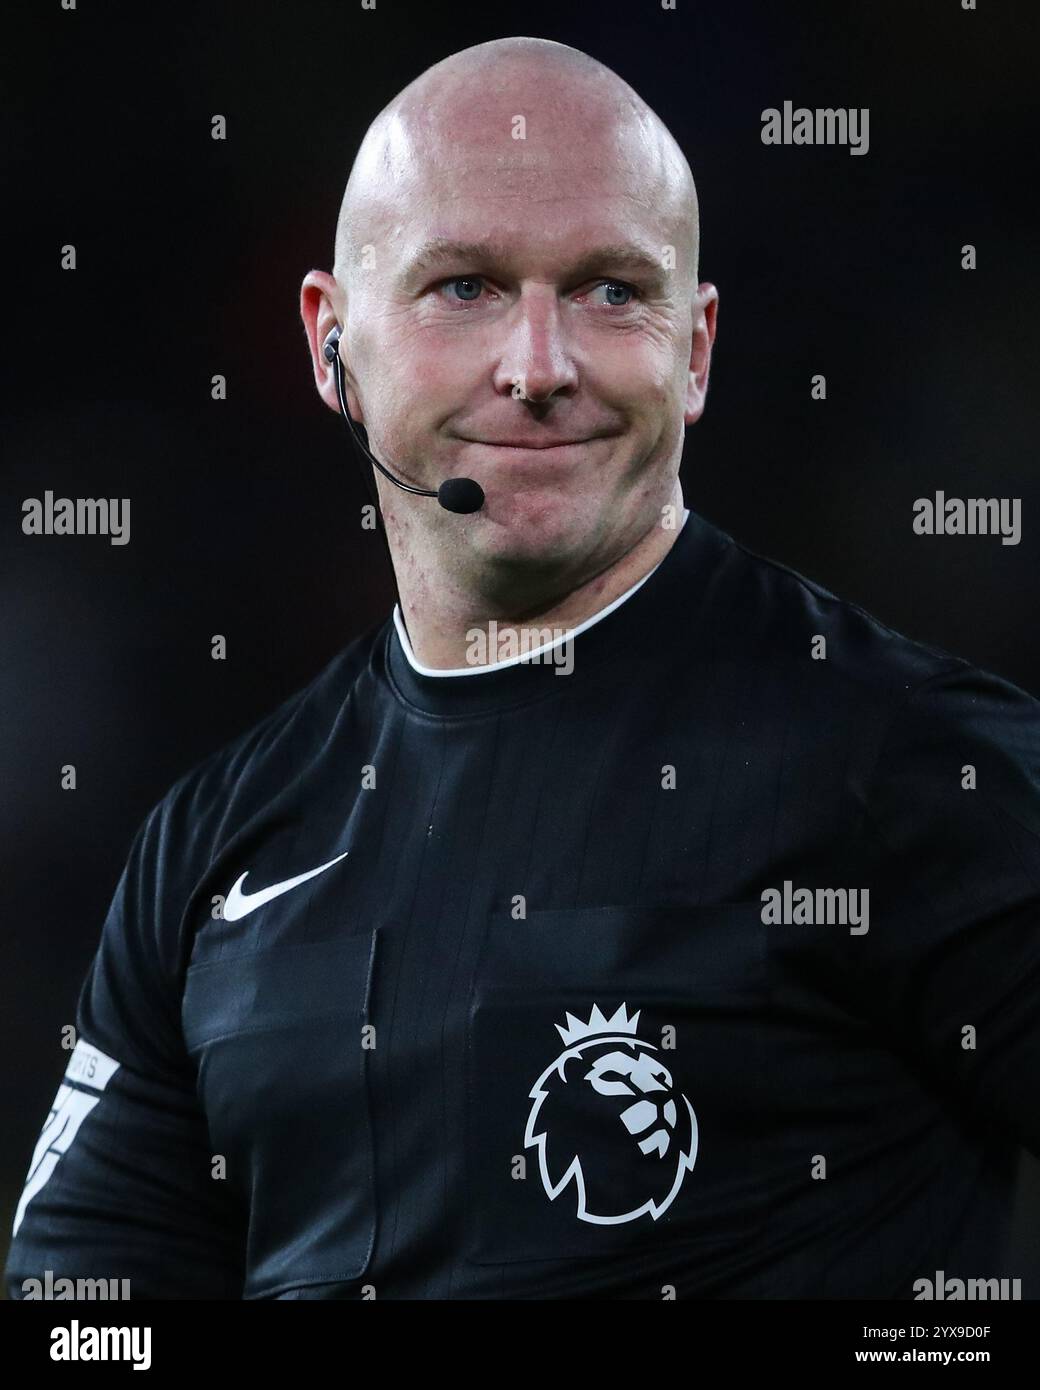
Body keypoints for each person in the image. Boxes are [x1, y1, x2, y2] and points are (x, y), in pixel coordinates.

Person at [7, 36, 1039, 1301]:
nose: (539, 366)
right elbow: (82, 1318)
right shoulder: (214, 848)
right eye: (464, 288)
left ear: (696, 349)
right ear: (330, 344)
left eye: (611, 291)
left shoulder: (917, 768)